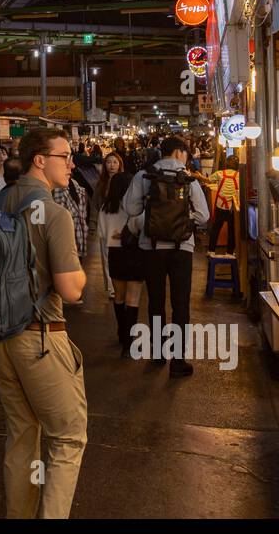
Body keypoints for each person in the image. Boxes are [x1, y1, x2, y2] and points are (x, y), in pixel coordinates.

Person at [0, 127, 86, 519]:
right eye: (65, 155)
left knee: (22, 434)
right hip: (39, 338)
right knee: (68, 437)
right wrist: (81, 279)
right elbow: (70, 288)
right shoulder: (53, 212)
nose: (72, 163)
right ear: (40, 160)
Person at [122, 137, 209, 378]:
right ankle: (178, 361)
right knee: (180, 304)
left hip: (151, 247)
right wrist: (183, 220)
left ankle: (159, 353)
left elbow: (130, 209)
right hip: (182, 248)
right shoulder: (189, 179)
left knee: (156, 302)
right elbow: (203, 216)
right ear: (179, 152)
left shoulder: (144, 176)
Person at [97, 154, 144, 355]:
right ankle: (129, 342)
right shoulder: (135, 210)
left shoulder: (105, 209)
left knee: (119, 297)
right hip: (134, 253)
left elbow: (100, 234)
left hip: (115, 254)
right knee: (133, 298)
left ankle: (121, 332)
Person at [209, 154, 240, 257]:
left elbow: (208, 180)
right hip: (233, 208)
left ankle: (211, 251)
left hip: (220, 205)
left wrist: (199, 176)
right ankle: (230, 252)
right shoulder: (239, 175)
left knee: (216, 228)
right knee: (232, 230)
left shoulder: (220, 173)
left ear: (226, 164)